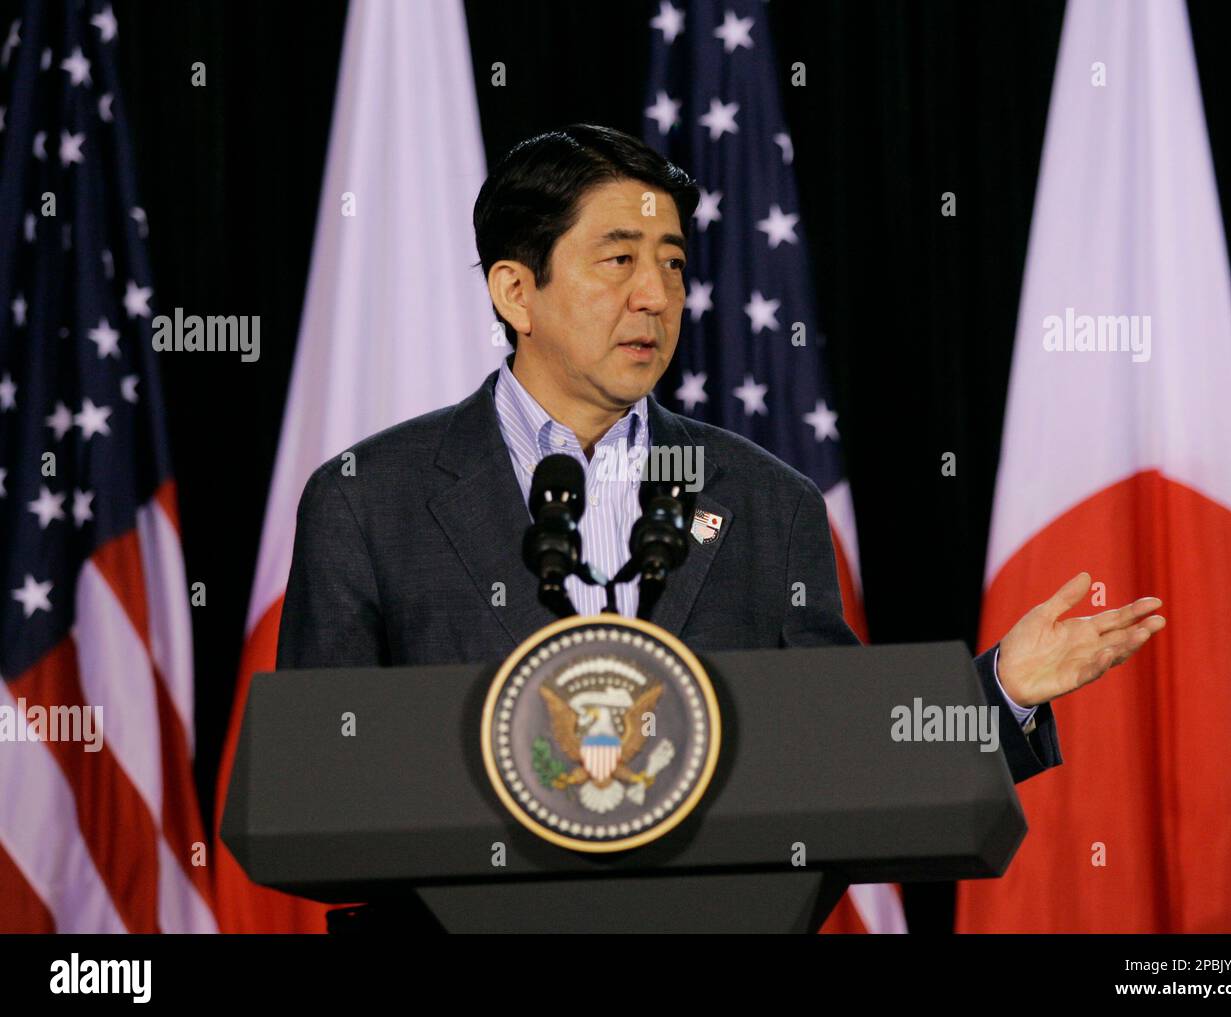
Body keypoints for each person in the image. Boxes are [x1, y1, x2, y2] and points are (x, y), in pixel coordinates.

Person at [278, 124, 1166, 803]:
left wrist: (998, 689)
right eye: (619, 260)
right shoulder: (368, 502)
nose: (657, 296)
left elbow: (845, 749)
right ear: (517, 291)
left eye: (671, 264)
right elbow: (320, 779)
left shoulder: (767, 504)